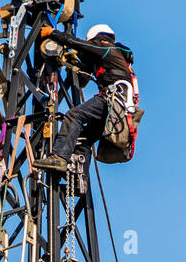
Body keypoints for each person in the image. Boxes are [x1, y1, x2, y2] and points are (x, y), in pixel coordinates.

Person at [36, 23, 137, 173]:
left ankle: (60, 158)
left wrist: (53, 33)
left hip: (113, 100)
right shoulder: (109, 59)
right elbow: (82, 79)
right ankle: (80, 178)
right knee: (83, 139)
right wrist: (75, 63)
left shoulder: (107, 48)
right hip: (117, 110)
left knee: (75, 115)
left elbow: (78, 43)